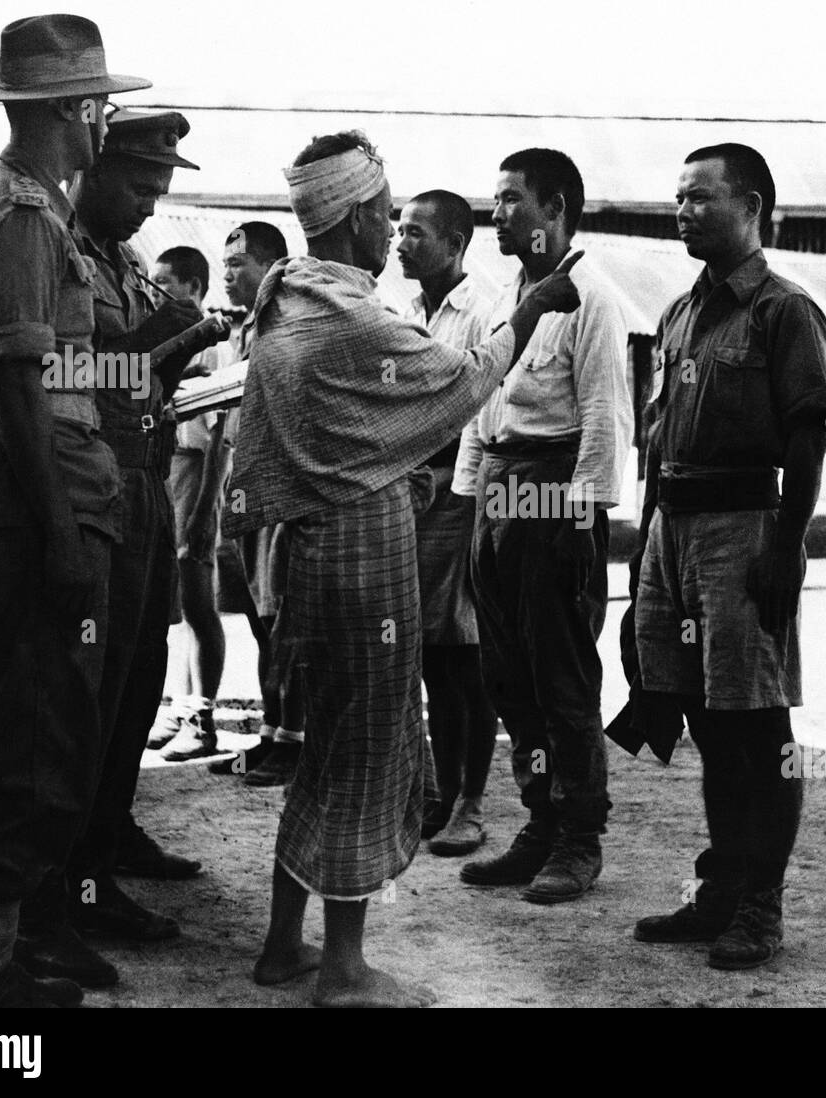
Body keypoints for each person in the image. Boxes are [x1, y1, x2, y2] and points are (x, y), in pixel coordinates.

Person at [224, 130, 583, 1006]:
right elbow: (461, 382)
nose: (392, 231)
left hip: (320, 546)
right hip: (356, 547)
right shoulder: (350, 313)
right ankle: (343, 970)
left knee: (327, 752)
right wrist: (533, 310)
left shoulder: (288, 296)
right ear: (350, 218)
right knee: (370, 751)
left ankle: (284, 946)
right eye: (385, 215)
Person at [0, 14, 148, 1008]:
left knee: (5, 740)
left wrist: (3, 442)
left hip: (3, 503)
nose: (105, 123)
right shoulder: (27, 216)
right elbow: (14, 375)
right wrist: (54, 522)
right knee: (33, 750)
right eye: (100, 106)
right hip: (26, 520)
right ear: (73, 111)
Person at [17, 108, 216, 988]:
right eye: (139, 186)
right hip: (93, 479)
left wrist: (174, 349)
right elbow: (48, 373)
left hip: (144, 476)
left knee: (135, 678)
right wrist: (155, 343)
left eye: (161, 190)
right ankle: (69, 885)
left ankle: (108, 845)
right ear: (95, 168)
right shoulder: (47, 242)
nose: (149, 206)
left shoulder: (124, 259)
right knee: (82, 701)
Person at [629, 144, 826, 970]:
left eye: (700, 199)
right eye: (677, 199)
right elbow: (657, 440)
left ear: (750, 208)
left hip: (744, 526)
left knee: (755, 724)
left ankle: (760, 903)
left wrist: (788, 546)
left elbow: (808, 434)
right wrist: (647, 548)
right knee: (706, 721)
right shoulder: (679, 312)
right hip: (671, 531)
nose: (683, 211)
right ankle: (720, 886)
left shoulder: (785, 311)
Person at [453, 148, 632, 904]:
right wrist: (471, 496)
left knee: (560, 672)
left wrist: (582, 514)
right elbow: (481, 395)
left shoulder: (591, 296)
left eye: (511, 201)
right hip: (498, 487)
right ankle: (538, 821)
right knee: (506, 673)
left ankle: (579, 835)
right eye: (496, 201)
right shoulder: (507, 296)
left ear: (553, 210)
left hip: (554, 487)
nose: (497, 214)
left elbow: (602, 412)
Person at [396, 189, 499, 855]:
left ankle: (472, 801)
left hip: (461, 492)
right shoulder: (404, 311)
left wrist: (444, 477)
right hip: (413, 493)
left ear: (457, 243)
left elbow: (482, 407)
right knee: (427, 651)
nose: (401, 242)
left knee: (465, 654)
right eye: (399, 231)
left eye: (416, 233)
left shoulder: (485, 309)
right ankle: (437, 790)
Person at [201, 221, 308, 781]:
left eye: (238, 263)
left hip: (276, 482)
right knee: (255, 617)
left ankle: (296, 738)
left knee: (283, 615)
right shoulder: (238, 330)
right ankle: (271, 731)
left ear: (271, 265)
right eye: (224, 264)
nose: (227, 274)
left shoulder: (291, 320)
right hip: (240, 483)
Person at [148, 246, 238, 773]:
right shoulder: (169, 341)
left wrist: (205, 509)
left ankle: (203, 718)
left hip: (198, 473)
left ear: (195, 288)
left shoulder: (209, 344)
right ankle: (178, 708)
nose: (158, 291)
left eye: (168, 283)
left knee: (199, 603)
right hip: (171, 471)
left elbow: (218, 440)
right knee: (177, 603)